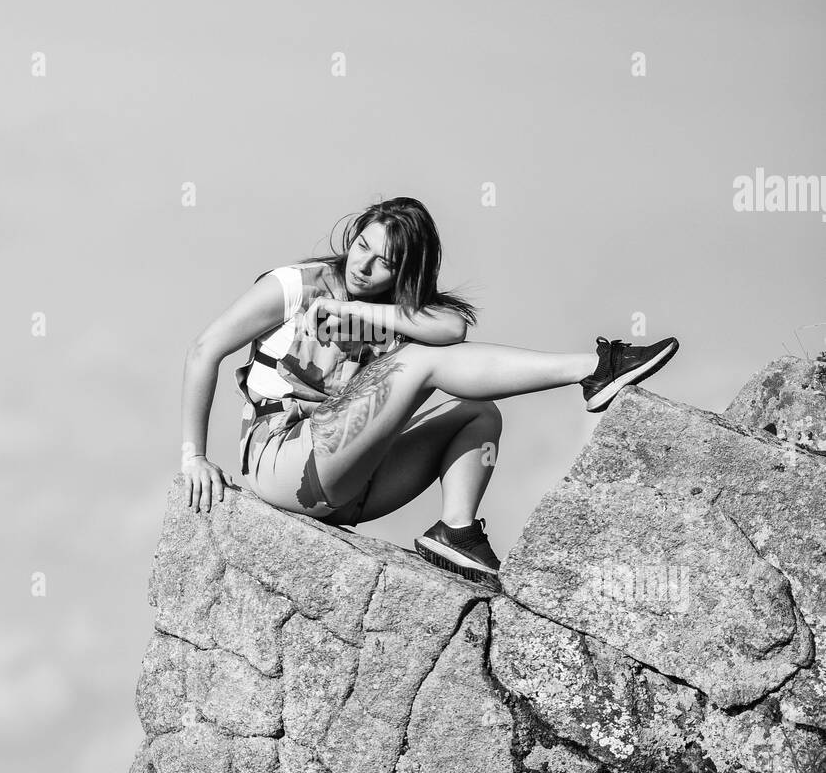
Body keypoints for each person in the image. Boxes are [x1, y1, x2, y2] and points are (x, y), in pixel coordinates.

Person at [180, 196, 679, 589]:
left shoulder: (397, 312)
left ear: (405, 272)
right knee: (417, 362)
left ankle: (455, 532)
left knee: (479, 415)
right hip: (284, 460)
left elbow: (452, 327)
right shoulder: (294, 286)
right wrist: (194, 456)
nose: (365, 266)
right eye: (363, 247)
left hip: (356, 491)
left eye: (385, 263)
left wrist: (363, 314)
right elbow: (205, 350)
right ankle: (595, 369)